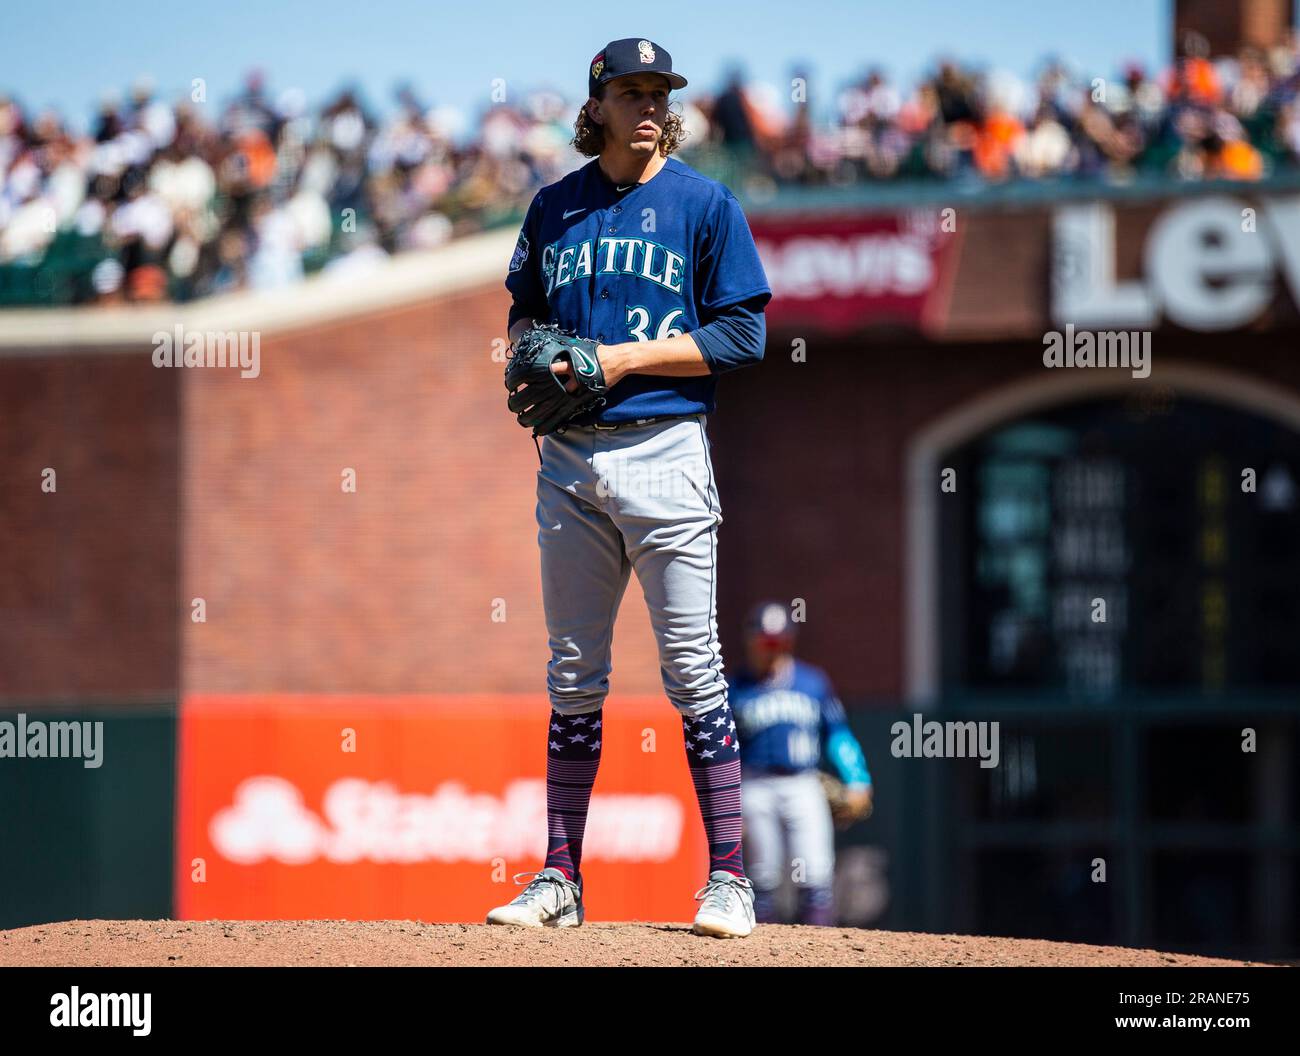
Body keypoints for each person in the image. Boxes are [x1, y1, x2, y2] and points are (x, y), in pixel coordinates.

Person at [487, 37, 771, 938]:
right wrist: (534, 347)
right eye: (631, 90)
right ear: (598, 103)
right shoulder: (554, 206)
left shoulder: (705, 203)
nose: (648, 104)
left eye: (660, 90)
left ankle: (729, 879)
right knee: (574, 675)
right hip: (568, 459)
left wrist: (618, 358)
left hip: (666, 449)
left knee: (694, 670)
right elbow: (524, 308)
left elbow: (741, 338)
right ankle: (560, 879)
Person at [729, 600, 873, 926]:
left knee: (815, 875)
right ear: (750, 641)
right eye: (765, 641)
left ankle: (817, 954)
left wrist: (857, 778)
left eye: (778, 642)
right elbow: (725, 750)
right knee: (762, 879)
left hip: (803, 782)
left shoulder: (812, 682)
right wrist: (728, 804)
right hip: (753, 784)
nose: (772, 649)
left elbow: (837, 734)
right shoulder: (734, 688)